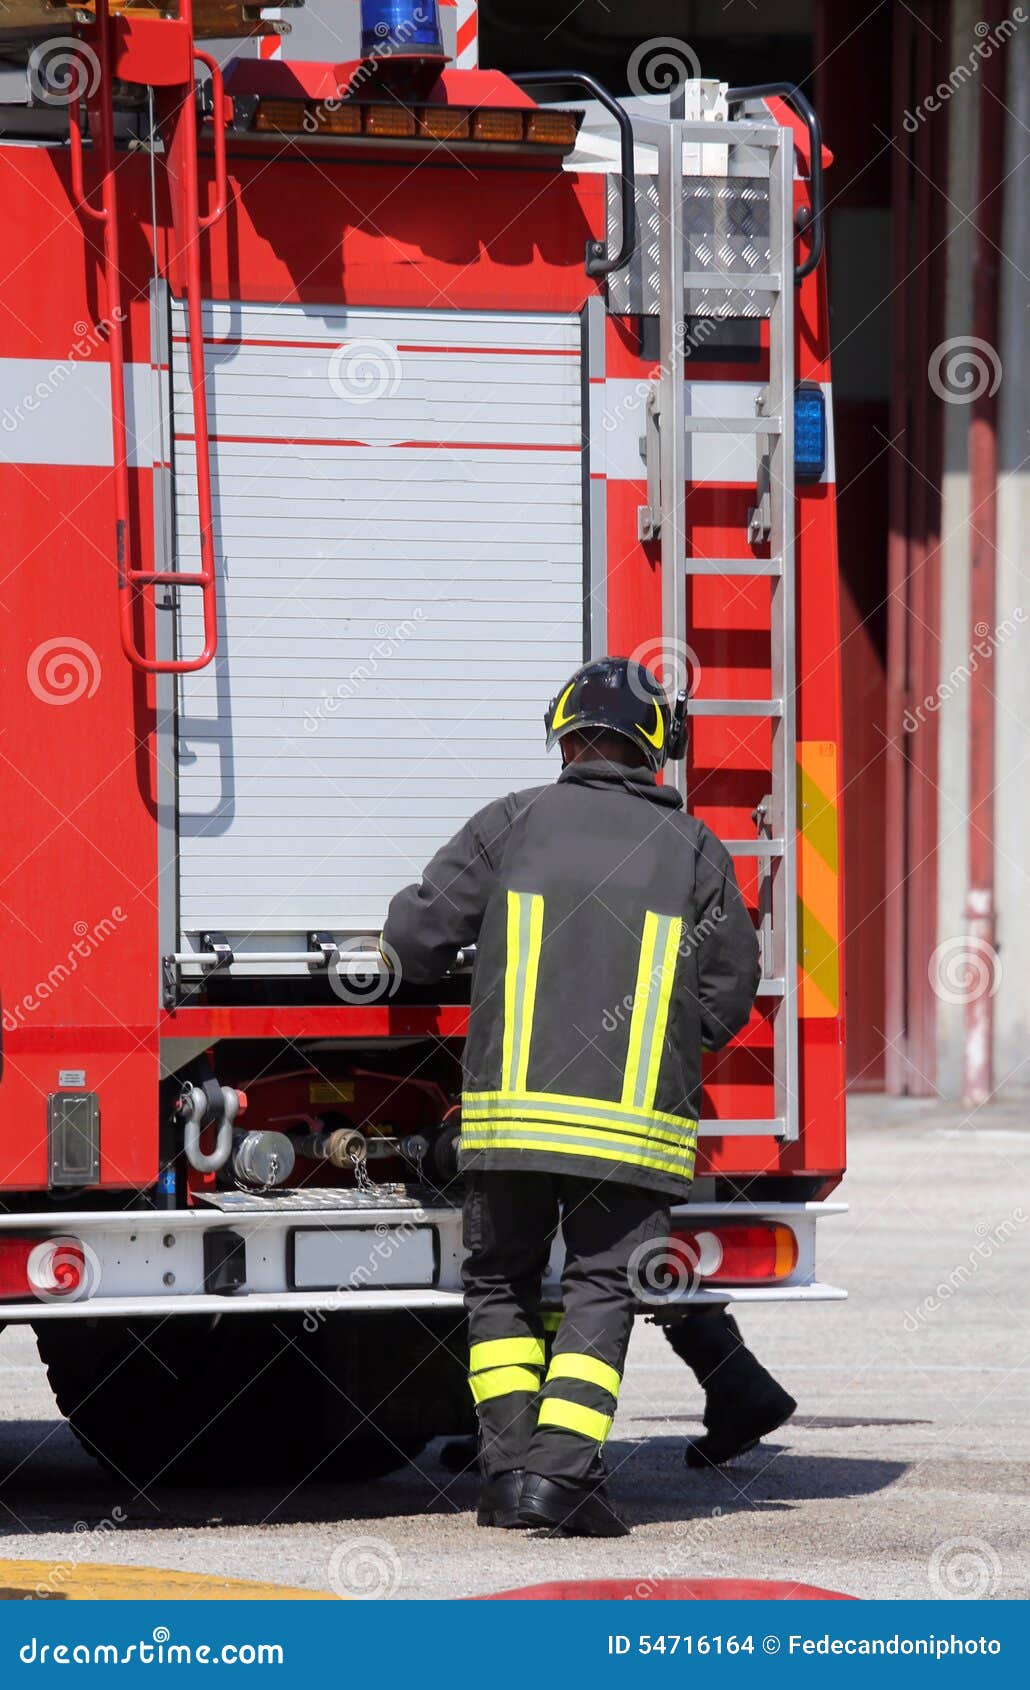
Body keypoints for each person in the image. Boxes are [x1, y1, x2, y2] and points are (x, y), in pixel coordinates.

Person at [382, 656, 760, 1536]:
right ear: (656, 744)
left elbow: (414, 935)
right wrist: (661, 1034)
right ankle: (563, 1477)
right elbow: (727, 1000)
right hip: (630, 1133)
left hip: (507, 1122)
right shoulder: (694, 847)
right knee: (599, 1287)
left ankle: (511, 1475)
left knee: (499, 1285)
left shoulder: (514, 822)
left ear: (563, 734)